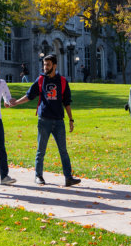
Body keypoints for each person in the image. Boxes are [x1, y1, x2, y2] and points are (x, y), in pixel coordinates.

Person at [8, 54, 81, 187]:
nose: (45, 67)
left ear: (54, 65)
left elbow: (67, 102)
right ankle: (38, 176)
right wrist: (16, 103)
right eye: (44, 64)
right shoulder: (41, 80)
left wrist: (71, 119)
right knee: (41, 150)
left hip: (59, 121)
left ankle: (68, 178)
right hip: (44, 120)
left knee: (63, 150)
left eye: (47, 65)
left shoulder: (63, 81)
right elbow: (29, 95)